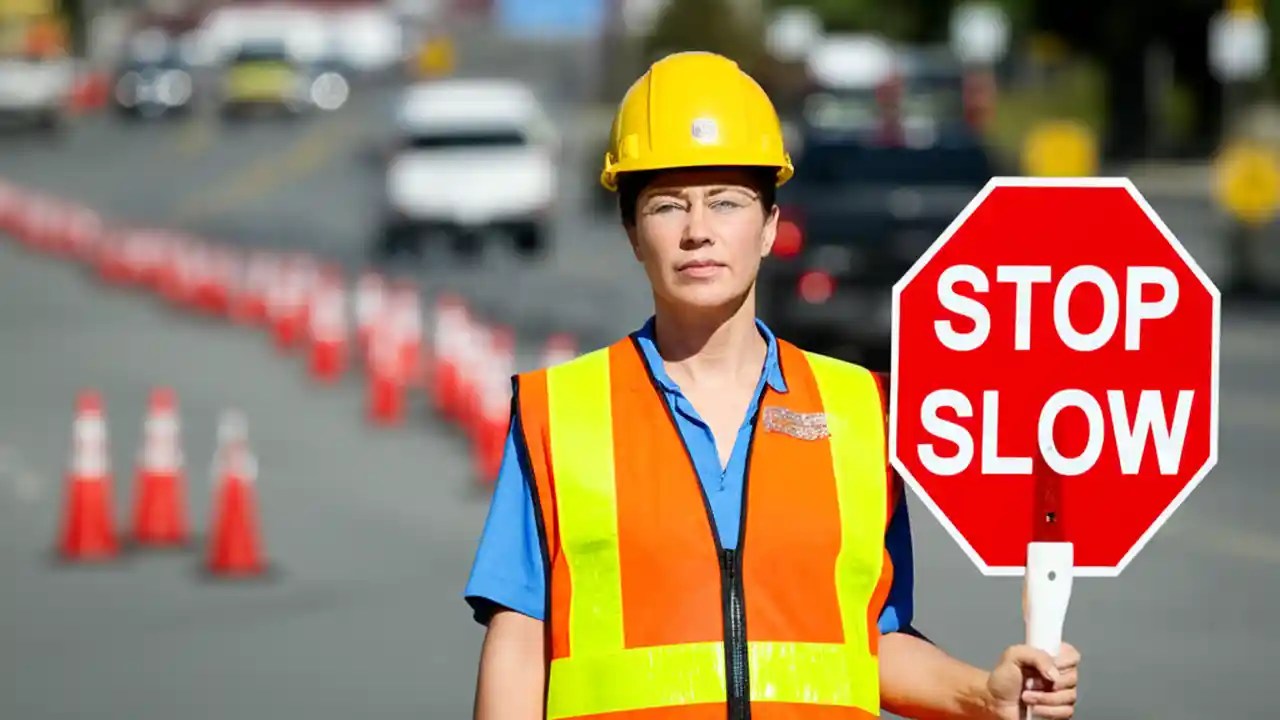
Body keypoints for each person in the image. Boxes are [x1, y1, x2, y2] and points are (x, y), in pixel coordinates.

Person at [464, 51, 1081, 720]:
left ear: (769, 227)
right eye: (669, 205)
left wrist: (983, 697)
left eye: (726, 202)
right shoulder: (561, 414)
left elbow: (872, 640)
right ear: (633, 234)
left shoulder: (860, 412)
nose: (698, 231)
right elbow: (520, 644)